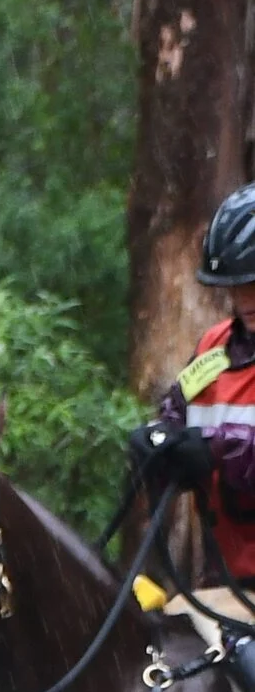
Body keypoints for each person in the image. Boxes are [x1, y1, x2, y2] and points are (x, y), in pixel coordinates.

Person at [130, 182, 255, 586]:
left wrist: (216, 449)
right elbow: (177, 417)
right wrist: (158, 446)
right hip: (223, 587)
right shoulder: (213, 348)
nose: (245, 299)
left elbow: (214, 447)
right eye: (236, 286)